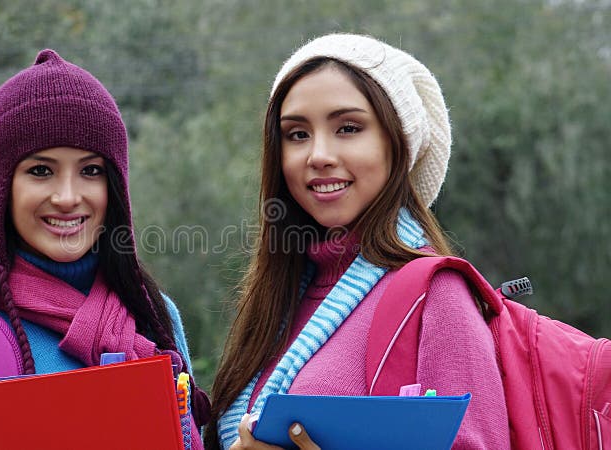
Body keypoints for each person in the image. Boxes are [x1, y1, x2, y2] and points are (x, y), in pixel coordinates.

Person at [204, 34, 510, 449]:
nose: (318, 155)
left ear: (397, 144)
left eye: (348, 128)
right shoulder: (278, 300)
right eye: (296, 135)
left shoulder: (436, 296)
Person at [0, 49, 208, 449]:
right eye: (40, 171)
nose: (67, 197)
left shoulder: (154, 317)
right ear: (2, 189)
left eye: (91, 171)